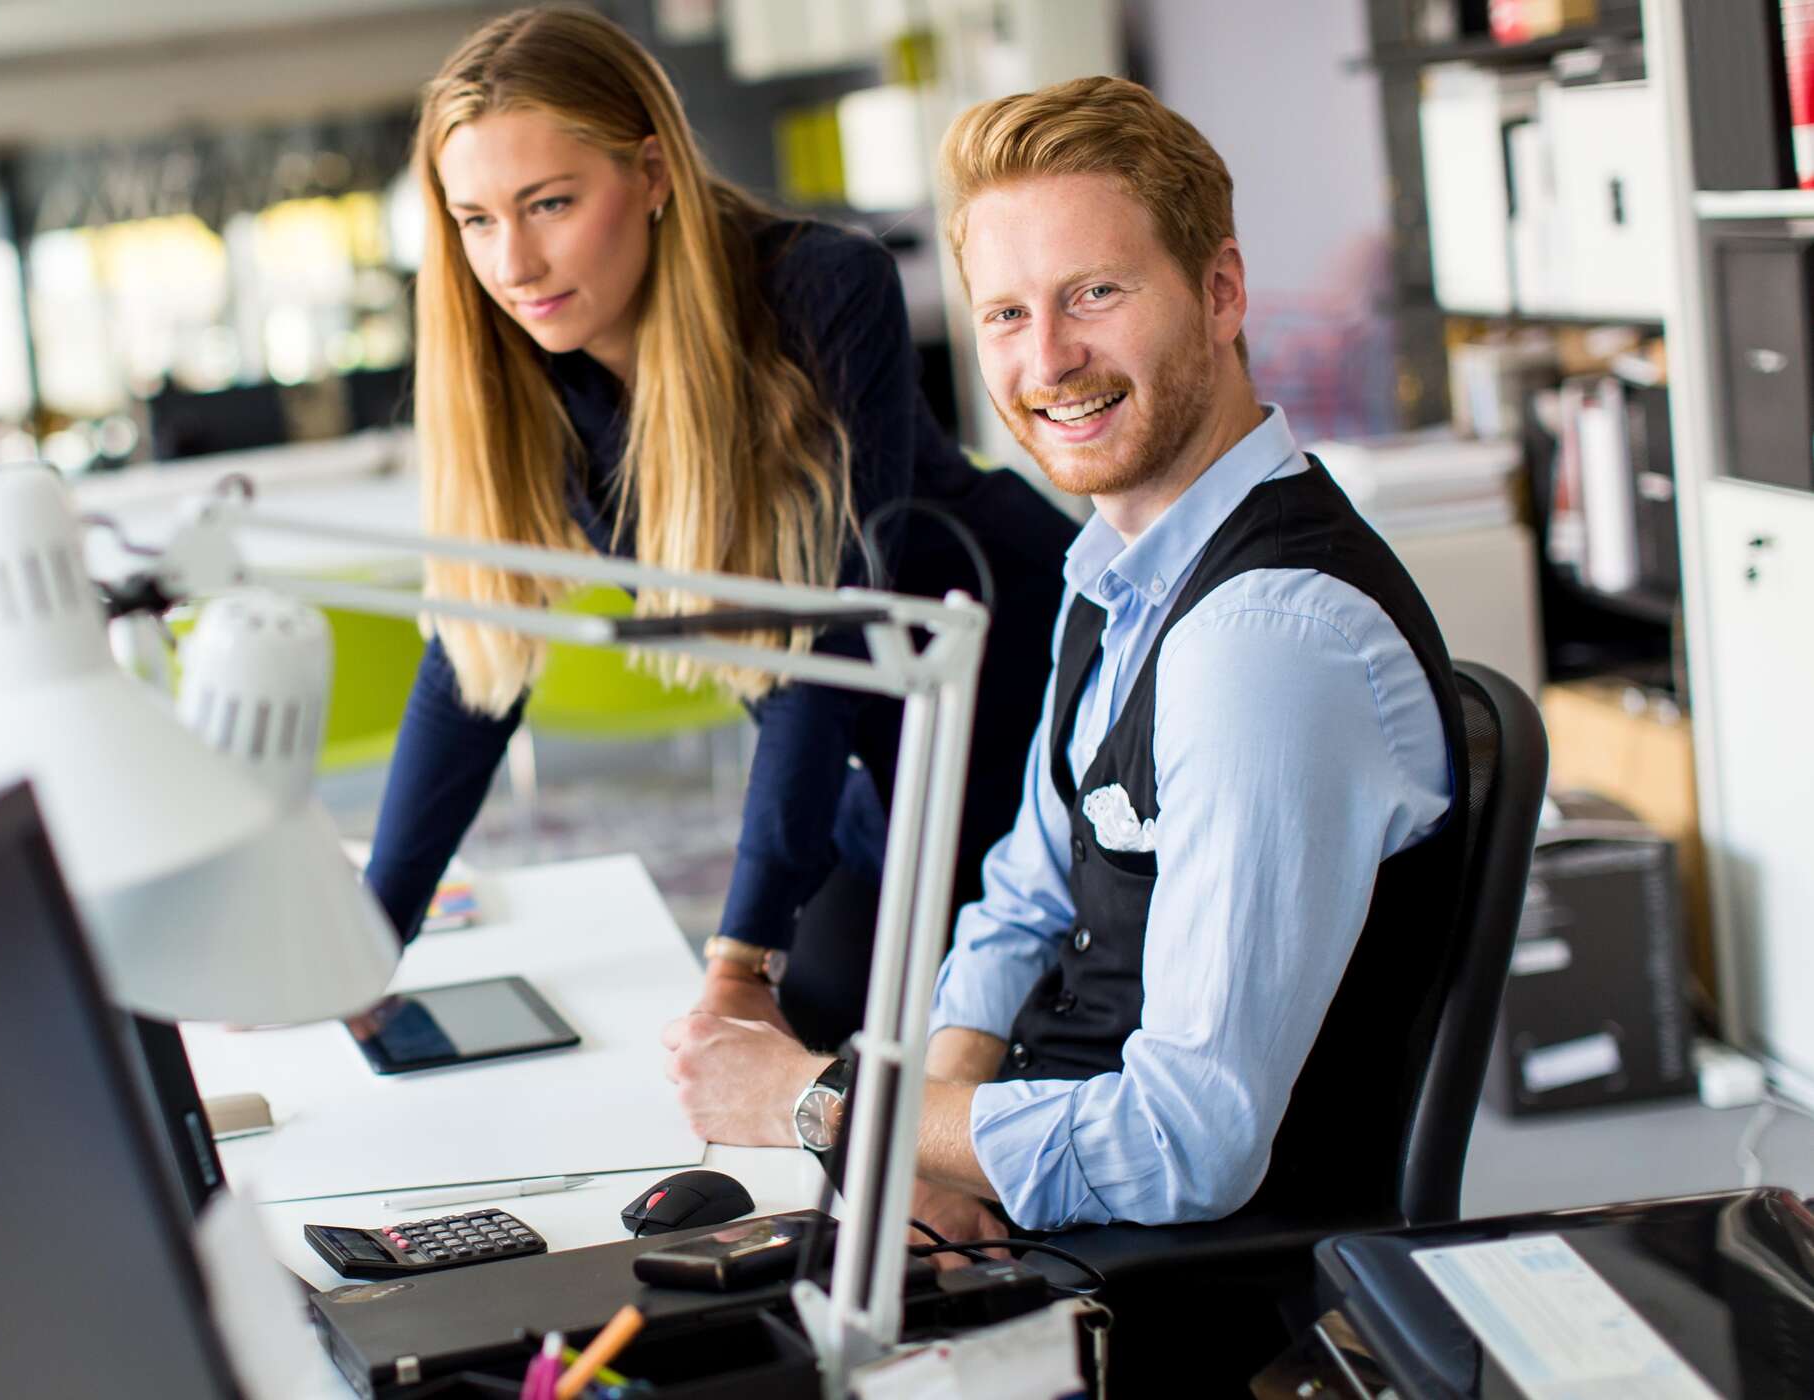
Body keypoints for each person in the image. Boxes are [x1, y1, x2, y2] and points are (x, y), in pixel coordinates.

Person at [662, 74, 1466, 1267]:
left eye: (1095, 292)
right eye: (1005, 313)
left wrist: (820, 1102)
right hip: (1043, 1198)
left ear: (1221, 292)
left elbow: (1187, 1145)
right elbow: (1024, 899)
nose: (1048, 359)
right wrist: (925, 1162)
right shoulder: (1115, 575)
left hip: (1183, 1282)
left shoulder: (1263, 641)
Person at [362, 7, 1074, 1050]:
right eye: (475, 220)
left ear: (652, 172)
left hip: (1044, 717)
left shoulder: (823, 290)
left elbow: (827, 638)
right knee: (805, 1043)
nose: (513, 263)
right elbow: (472, 657)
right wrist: (365, 939)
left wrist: (742, 954)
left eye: (549, 203)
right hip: (877, 774)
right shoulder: (528, 378)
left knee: (908, 1056)